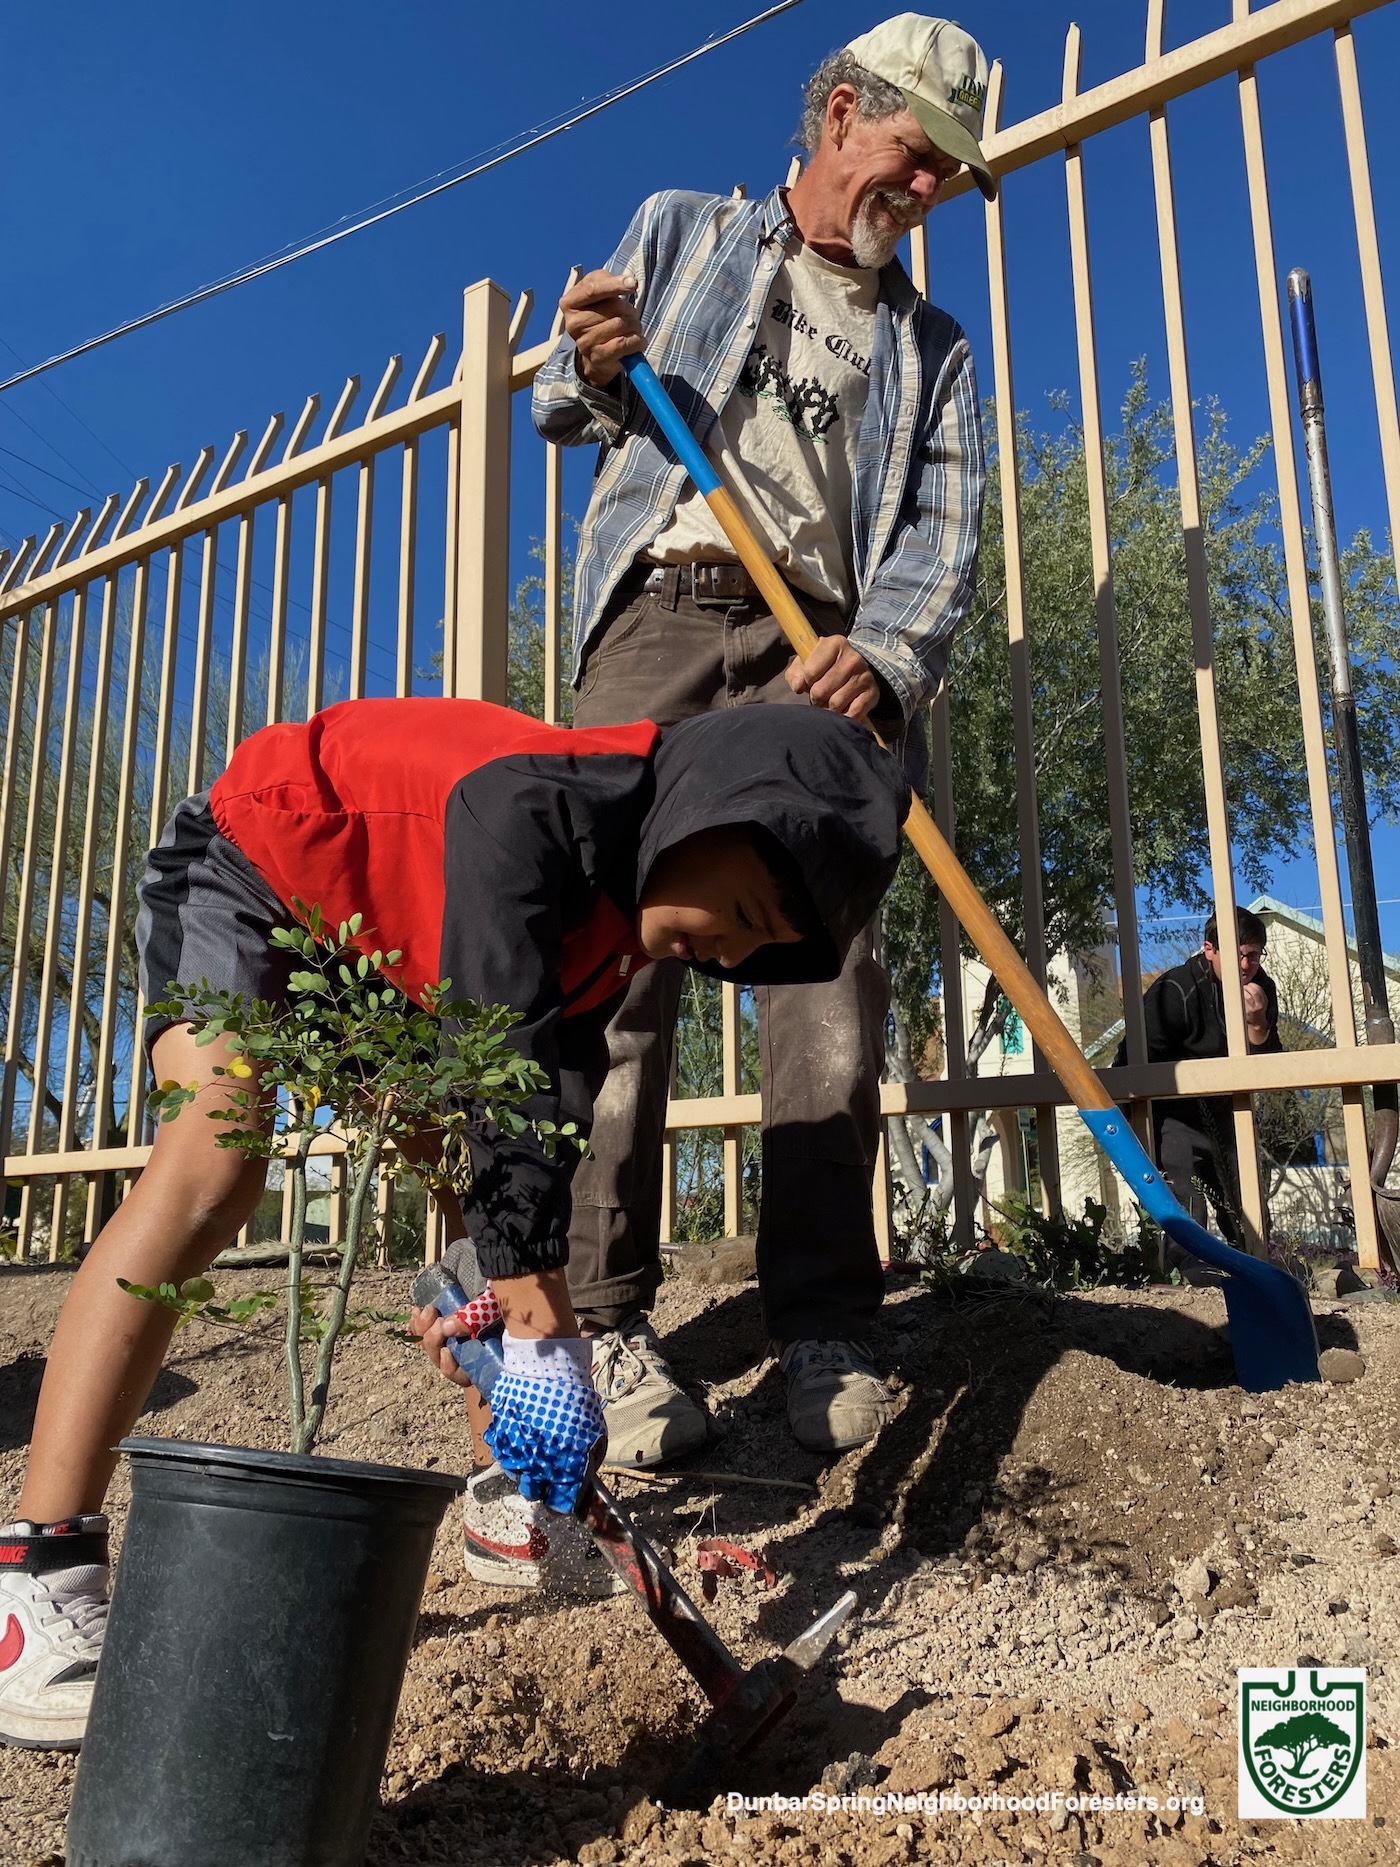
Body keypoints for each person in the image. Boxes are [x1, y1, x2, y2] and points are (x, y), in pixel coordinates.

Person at [0, 694, 909, 1750]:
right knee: (217, 1158)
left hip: (383, 953)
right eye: (745, 913)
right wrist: (539, 1329)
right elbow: (503, 1036)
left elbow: (531, 1134)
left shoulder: (617, 919)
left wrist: (521, 1321)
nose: (728, 955)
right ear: (703, 813)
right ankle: (36, 1574)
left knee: (486, 1216)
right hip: (254, 861)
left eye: (759, 950)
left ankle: (507, 1492)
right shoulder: (541, 800)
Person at [533, 14, 993, 1464]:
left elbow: (943, 533)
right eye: (914, 162)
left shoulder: (931, 346)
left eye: (945, 185)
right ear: (841, 112)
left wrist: (890, 653)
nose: (921, 198)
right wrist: (602, 358)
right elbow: (563, 396)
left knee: (828, 977)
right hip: (663, 609)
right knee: (612, 953)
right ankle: (603, 1318)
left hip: (824, 655)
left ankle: (823, 1317)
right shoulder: (685, 233)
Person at [1130, 907, 1282, 1269]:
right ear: (1209, 949)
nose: (1246, 965)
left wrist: (1257, 1022)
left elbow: (1270, 1065)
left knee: (1248, 1215)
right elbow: (1132, 1063)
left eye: (1253, 955)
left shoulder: (1262, 989)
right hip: (1173, 1118)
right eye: (1238, 954)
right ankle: (1188, 1284)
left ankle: (1255, 1274)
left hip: (1229, 1114)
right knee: (1185, 1212)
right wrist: (1137, 1139)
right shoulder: (1175, 990)